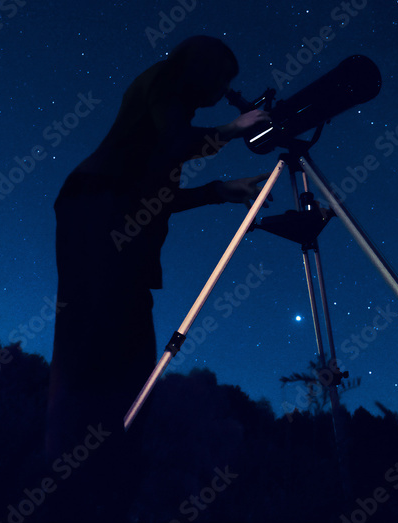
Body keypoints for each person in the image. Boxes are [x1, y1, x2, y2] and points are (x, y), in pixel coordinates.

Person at [43, 35, 270, 521]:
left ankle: (103, 468)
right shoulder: (165, 85)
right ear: (205, 69)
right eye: (224, 80)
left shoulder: (171, 110)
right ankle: (72, 475)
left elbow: (153, 196)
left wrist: (217, 190)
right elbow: (173, 147)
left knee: (121, 353)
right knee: (94, 345)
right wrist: (233, 128)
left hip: (108, 220)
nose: (226, 91)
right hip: (97, 218)